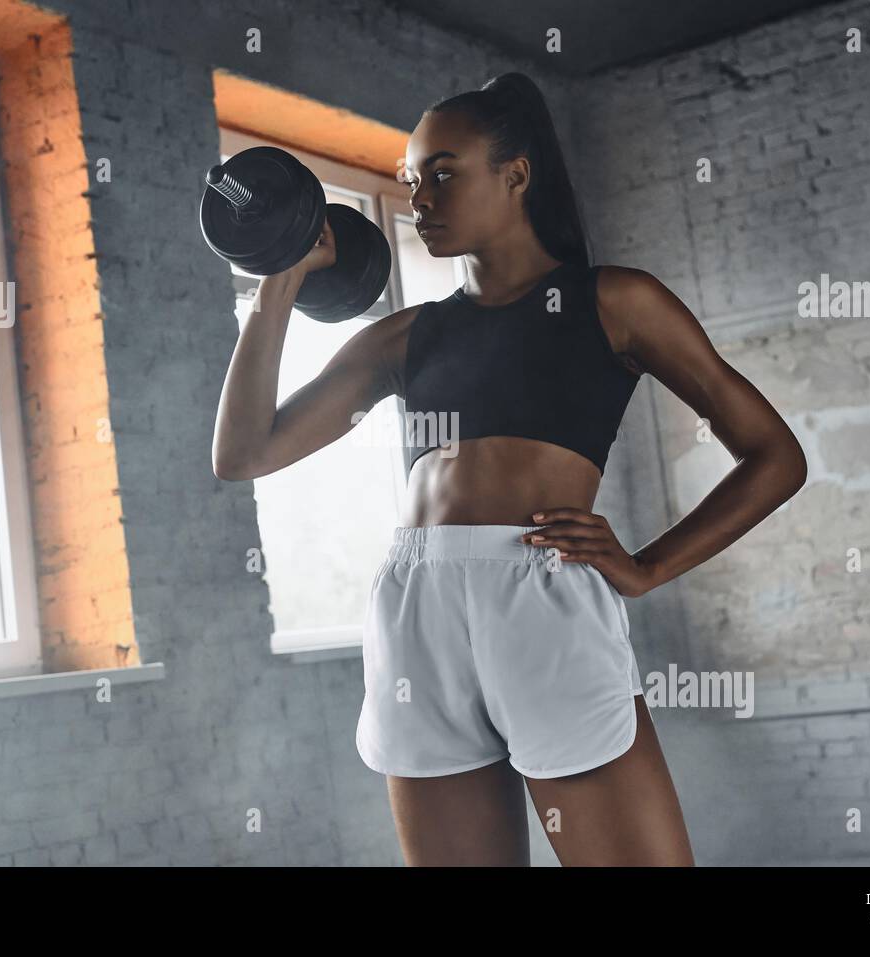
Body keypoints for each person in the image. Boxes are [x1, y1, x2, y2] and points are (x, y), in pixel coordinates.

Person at [212, 72, 807, 866]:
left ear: (516, 174)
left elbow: (776, 456)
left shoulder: (616, 302)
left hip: (541, 594)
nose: (422, 198)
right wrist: (282, 271)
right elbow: (243, 452)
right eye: (412, 181)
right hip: (417, 611)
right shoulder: (406, 336)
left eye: (444, 173)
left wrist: (648, 567)